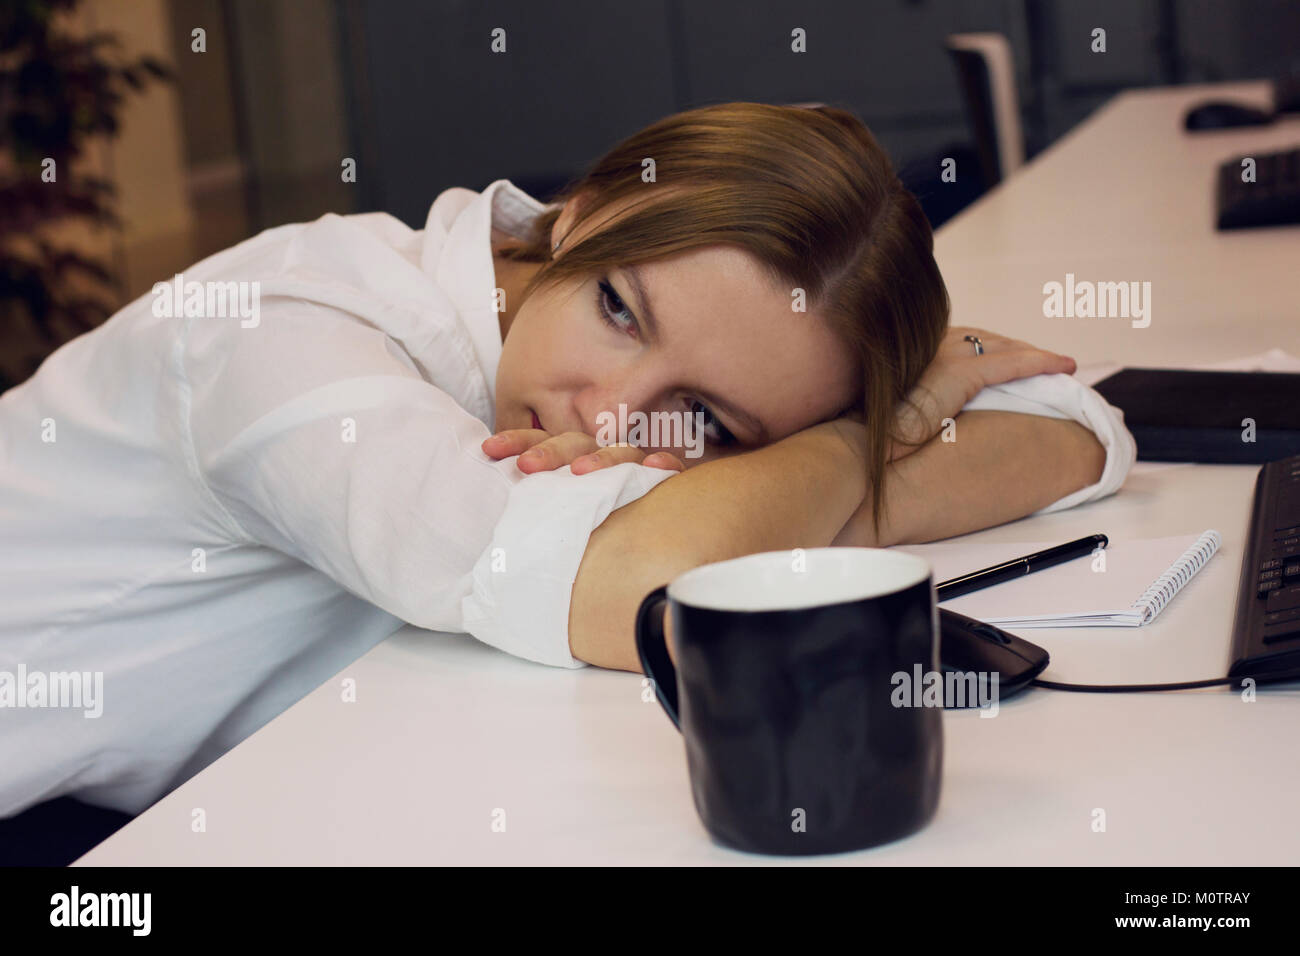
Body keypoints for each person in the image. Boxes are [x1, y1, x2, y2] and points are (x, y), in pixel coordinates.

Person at [0, 103, 1134, 835]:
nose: (608, 412)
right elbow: (630, 583)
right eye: (618, 310)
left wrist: (785, 469)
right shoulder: (279, 338)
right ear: (578, 213)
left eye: (705, 417)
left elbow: (1072, 423)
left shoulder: (662, 344)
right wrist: (847, 443)